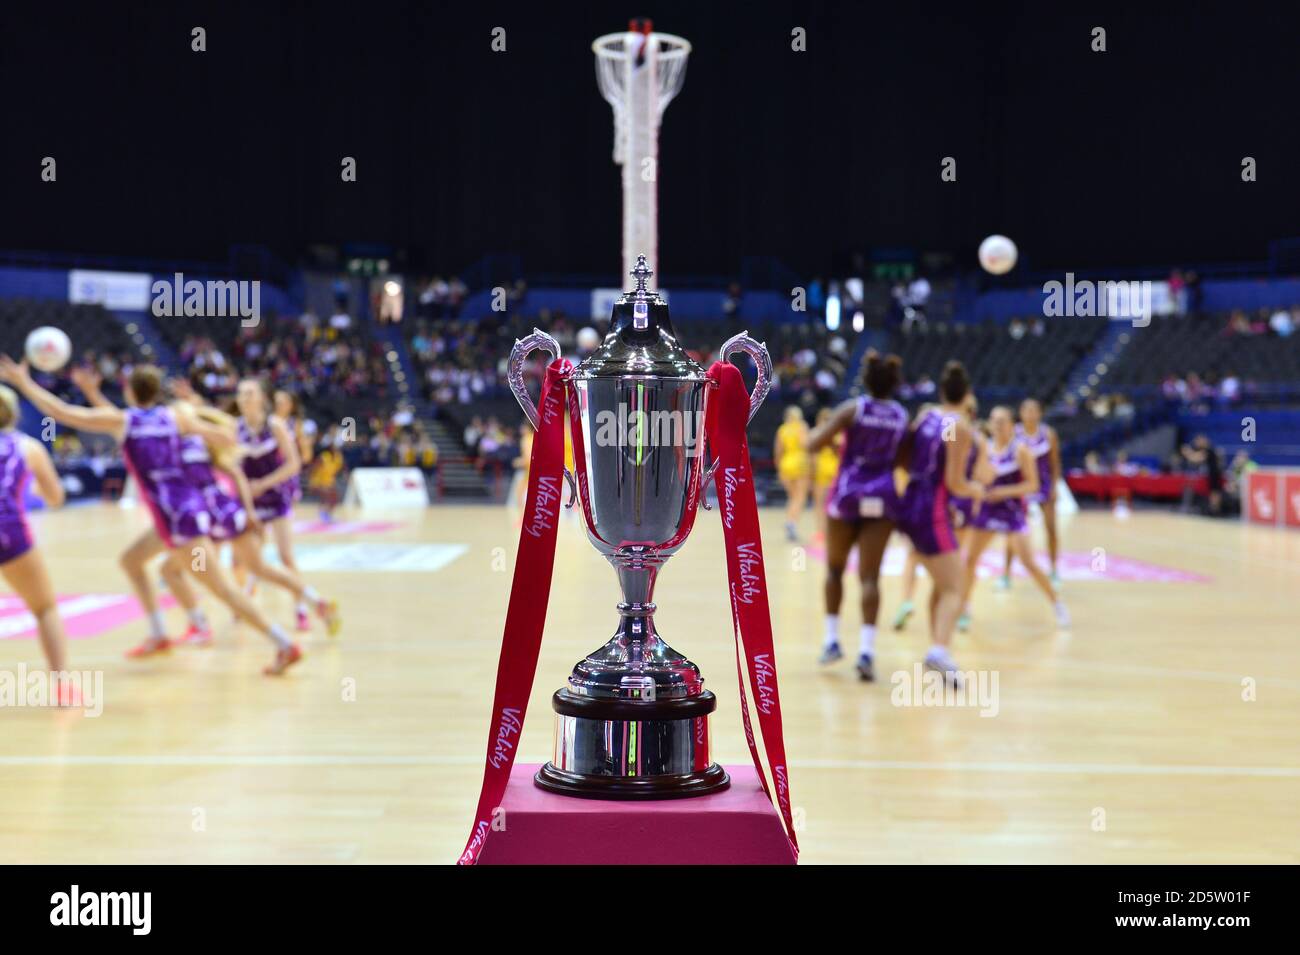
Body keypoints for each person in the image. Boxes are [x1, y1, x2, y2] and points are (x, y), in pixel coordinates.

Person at [0, 358, 304, 675]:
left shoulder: (126, 421)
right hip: (181, 514)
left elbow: (61, 412)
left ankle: (282, 643)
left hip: (178, 522)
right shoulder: (174, 418)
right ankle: (160, 633)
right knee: (132, 561)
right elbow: (225, 435)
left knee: (222, 589)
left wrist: (25, 383)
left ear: (130, 392)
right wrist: (215, 433)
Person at [807, 352, 909, 681]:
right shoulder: (900, 416)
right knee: (870, 578)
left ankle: (832, 641)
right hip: (882, 499)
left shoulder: (854, 409)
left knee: (835, 570)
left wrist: (838, 447)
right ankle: (867, 652)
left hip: (848, 496)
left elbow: (812, 443)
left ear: (866, 381)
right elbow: (904, 460)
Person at [893, 361, 986, 684]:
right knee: (956, 586)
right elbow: (955, 481)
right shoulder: (961, 427)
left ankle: (938, 647)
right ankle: (939, 652)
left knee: (941, 581)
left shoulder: (926, 414)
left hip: (910, 501)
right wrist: (977, 489)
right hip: (931, 508)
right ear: (968, 395)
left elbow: (905, 458)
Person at [0, 384, 77, 704]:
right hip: (10, 533)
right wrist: (33, 496)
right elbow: (56, 497)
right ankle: (62, 689)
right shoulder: (29, 447)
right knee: (45, 608)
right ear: (14, 414)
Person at [961, 407, 1069, 629]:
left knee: (1029, 562)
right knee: (969, 560)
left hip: (1011, 512)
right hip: (988, 511)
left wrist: (1003, 492)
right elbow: (979, 478)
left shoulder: (1021, 450)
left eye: (1001, 421)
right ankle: (965, 607)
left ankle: (1057, 603)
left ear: (1011, 425)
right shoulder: (985, 448)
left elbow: (1033, 484)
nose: (996, 425)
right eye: (993, 421)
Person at [236, 378, 310, 630]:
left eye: (249, 392)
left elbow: (294, 463)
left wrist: (264, 483)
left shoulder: (275, 425)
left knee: (285, 556)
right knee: (247, 559)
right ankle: (245, 599)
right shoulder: (235, 429)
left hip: (276, 496)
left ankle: (301, 609)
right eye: (241, 393)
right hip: (251, 501)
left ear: (261, 399)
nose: (244, 397)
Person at [1000, 398, 1061, 588]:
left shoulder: (1048, 434)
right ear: (1021, 413)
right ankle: (1006, 574)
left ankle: (1053, 570)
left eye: (1034, 410)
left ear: (1040, 413)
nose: (1030, 414)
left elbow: (1054, 462)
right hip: (1022, 485)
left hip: (1043, 486)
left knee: (1051, 527)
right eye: (1027, 410)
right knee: (1013, 531)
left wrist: (1054, 487)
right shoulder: (1014, 434)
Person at [774, 406, 812, 542]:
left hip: (786, 464)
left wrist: (779, 470)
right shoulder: (802, 427)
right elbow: (806, 445)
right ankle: (791, 523)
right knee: (799, 498)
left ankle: (790, 521)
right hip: (800, 463)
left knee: (792, 497)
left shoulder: (782, 429)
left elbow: (778, 452)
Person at [809, 407, 841, 542]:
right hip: (834, 470)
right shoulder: (837, 434)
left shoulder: (816, 433)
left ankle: (821, 532)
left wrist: (811, 476)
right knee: (833, 504)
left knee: (819, 504)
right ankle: (832, 532)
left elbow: (813, 458)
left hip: (821, 471)